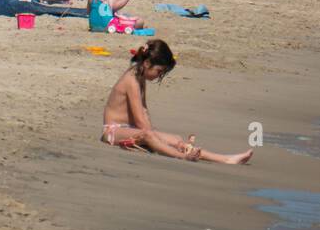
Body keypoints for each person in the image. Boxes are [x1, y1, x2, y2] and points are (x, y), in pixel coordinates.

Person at [101, 41, 253, 163]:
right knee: (150, 136)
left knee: (177, 139)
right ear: (147, 64)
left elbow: (144, 111)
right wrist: (155, 137)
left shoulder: (140, 77)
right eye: (159, 71)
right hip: (113, 132)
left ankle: (225, 158)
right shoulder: (131, 80)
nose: (158, 76)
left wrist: (164, 139)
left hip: (130, 128)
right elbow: (141, 122)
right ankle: (183, 156)